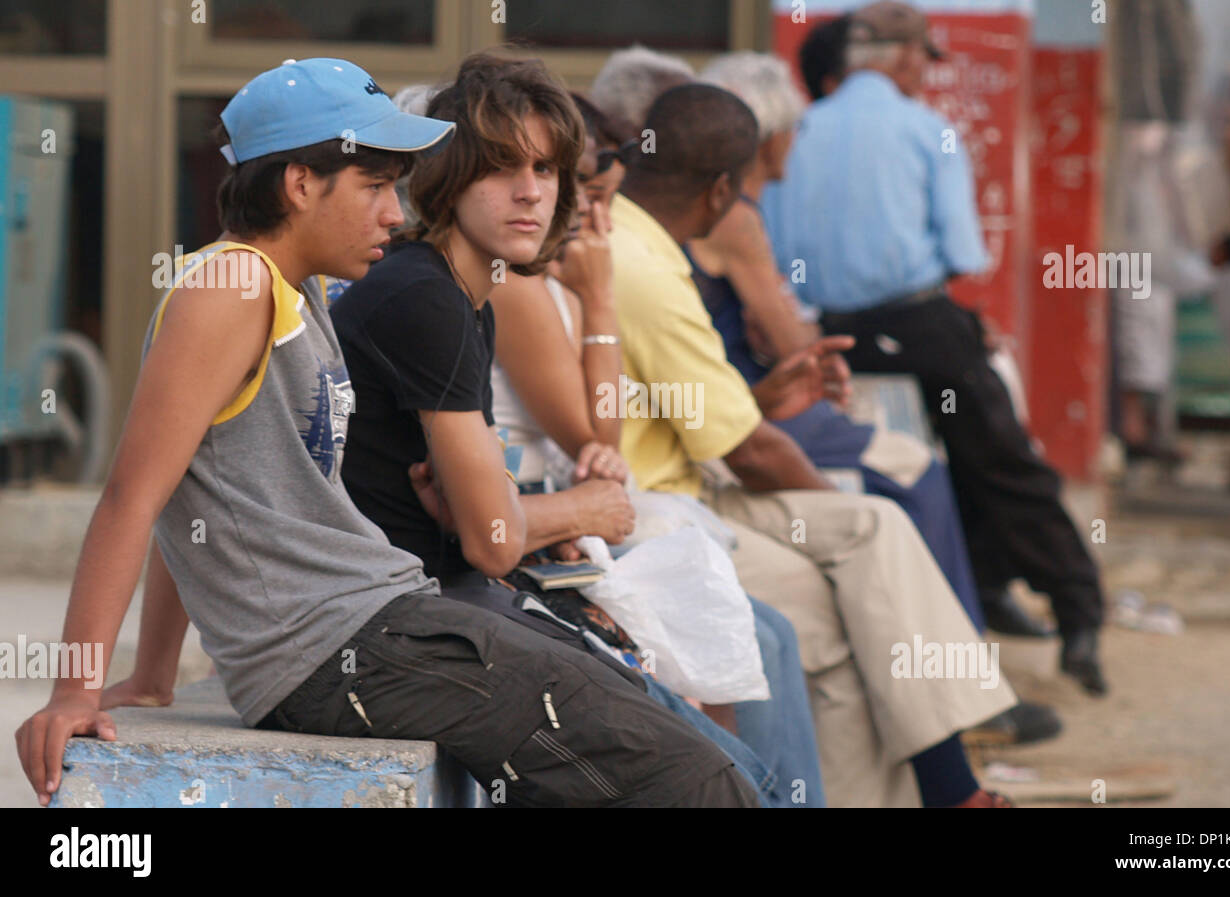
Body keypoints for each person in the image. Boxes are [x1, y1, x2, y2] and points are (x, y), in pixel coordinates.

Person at [14, 57, 758, 809]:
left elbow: (201, 485)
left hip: (385, 620)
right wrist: (75, 687)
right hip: (339, 647)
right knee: (688, 778)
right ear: (301, 184)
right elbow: (134, 495)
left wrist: (155, 674)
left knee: (665, 727)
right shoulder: (228, 287)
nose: (395, 214)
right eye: (373, 187)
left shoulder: (295, 292)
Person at [327, 58, 784, 802]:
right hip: (405, 616)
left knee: (714, 747)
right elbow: (490, 538)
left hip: (449, 596)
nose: (532, 190)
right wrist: (577, 510)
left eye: (546, 168)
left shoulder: (464, 289)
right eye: (500, 166)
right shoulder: (427, 296)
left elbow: (487, 516)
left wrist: (525, 520)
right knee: (707, 773)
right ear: (445, 175)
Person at [608, 81, 1018, 807]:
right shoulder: (642, 266)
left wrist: (763, 401)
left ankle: (951, 782)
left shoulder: (635, 243)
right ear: (721, 191)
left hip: (683, 486)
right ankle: (953, 782)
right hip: (657, 510)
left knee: (870, 547)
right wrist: (816, 516)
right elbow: (751, 452)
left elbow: (708, 417)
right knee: (850, 582)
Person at [689, 49, 1062, 745]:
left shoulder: (729, 210)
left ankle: (960, 674)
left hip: (750, 398)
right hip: (751, 407)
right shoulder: (734, 215)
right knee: (916, 473)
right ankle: (966, 690)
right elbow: (787, 335)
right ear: (769, 138)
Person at [485, 89, 827, 805]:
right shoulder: (518, 284)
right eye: (591, 199)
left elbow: (600, 436)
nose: (601, 222)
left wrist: (594, 298)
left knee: (764, 632)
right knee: (744, 635)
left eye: (603, 199)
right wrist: (601, 300)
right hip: (540, 538)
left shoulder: (559, 280)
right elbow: (593, 434)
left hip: (569, 526)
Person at [761, 1, 1109, 695]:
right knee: (1003, 457)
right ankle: (1078, 612)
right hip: (916, 328)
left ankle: (983, 590)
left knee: (962, 440)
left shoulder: (792, 132)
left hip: (815, 335)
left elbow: (772, 250)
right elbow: (958, 253)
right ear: (904, 60)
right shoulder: (928, 130)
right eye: (924, 61)